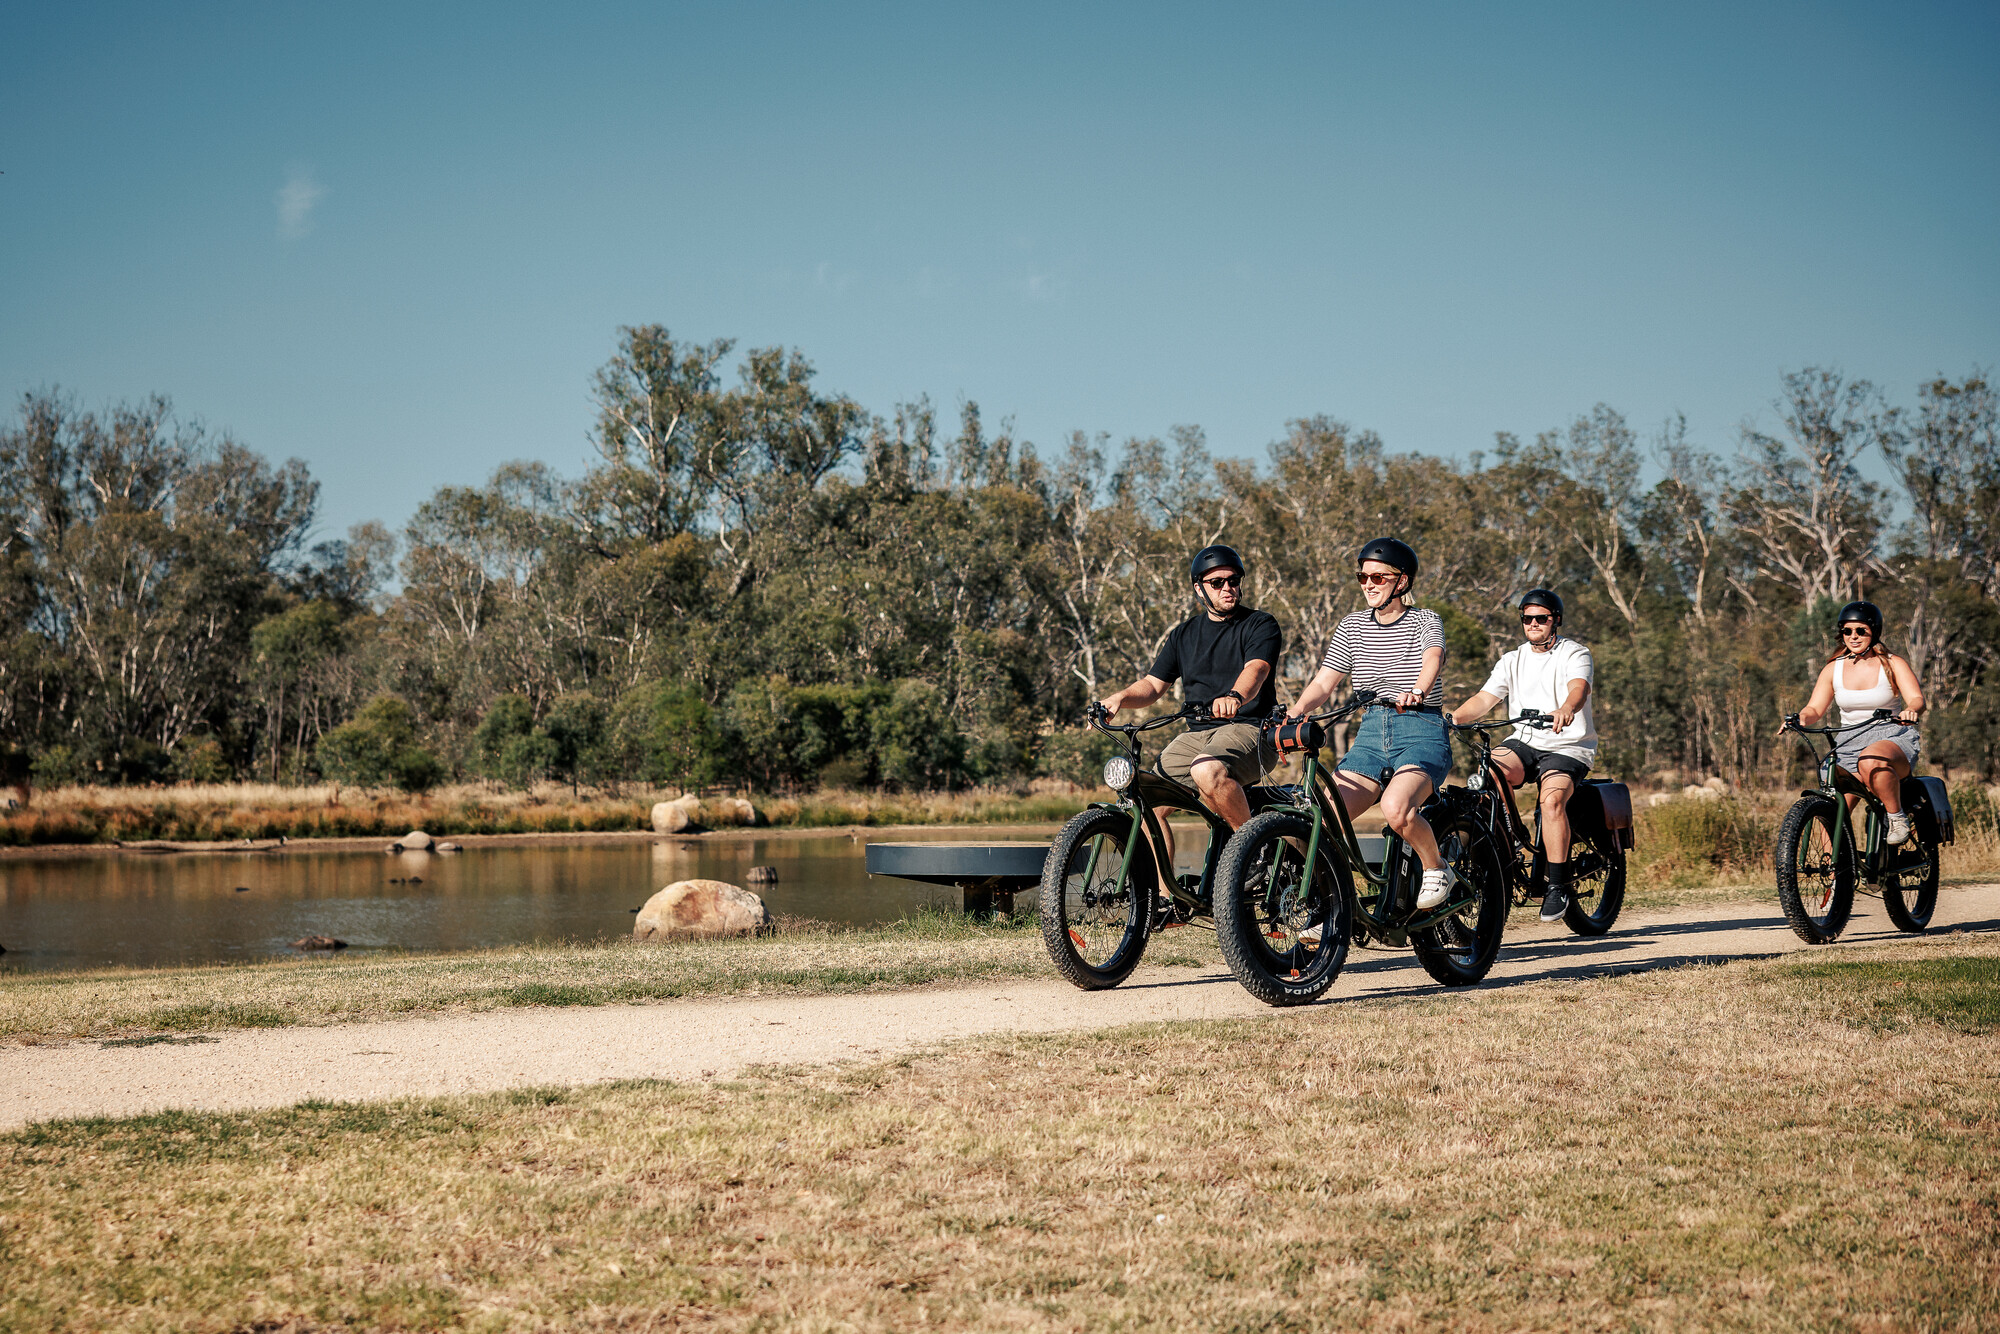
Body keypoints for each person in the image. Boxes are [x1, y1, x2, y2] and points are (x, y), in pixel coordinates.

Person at [1286, 537, 1459, 910]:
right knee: (1319, 814)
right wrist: (1298, 709)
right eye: (1362, 577)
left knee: (1397, 808)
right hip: (1369, 736)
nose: (1368, 584)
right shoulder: (1351, 626)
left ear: (1402, 582)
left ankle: (1437, 866)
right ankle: (1327, 902)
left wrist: (1418, 689)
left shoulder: (1425, 620)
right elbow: (1324, 681)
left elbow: (1434, 658)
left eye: (1379, 577)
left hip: (1420, 729)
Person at [1097, 545, 1283, 864]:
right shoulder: (1183, 635)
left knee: (1206, 769)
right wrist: (1119, 699)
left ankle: (1255, 855)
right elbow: (1154, 685)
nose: (1228, 587)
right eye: (1217, 583)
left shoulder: (1260, 624)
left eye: (1234, 580)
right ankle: (1168, 904)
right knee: (1145, 802)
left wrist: (1235, 697)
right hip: (1196, 736)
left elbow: (1257, 669)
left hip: (1252, 730)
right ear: (1199, 588)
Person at [1450, 589, 1596, 922]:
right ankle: (1512, 841)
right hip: (1525, 740)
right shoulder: (1513, 659)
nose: (1533, 624)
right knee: (1489, 771)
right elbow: (1485, 699)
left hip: (1568, 744)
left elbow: (1579, 688)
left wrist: (1567, 708)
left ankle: (1557, 885)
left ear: (1555, 620)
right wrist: (1453, 718)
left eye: (1540, 618)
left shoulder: (1575, 653)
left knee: (1552, 800)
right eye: (1527, 618)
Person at [1789, 600, 1925, 844]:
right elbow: (1814, 708)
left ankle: (1897, 818)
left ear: (1874, 632)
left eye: (1861, 630)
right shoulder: (1834, 668)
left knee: (1871, 760)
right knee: (1831, 811)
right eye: (1847, 631)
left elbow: (1916, 699)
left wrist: (1911, 710)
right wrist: (1798, 719)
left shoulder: (1893, 663)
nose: (1853, 636)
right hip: (1848, 740)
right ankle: (1833, 878)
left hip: (1891, 736)